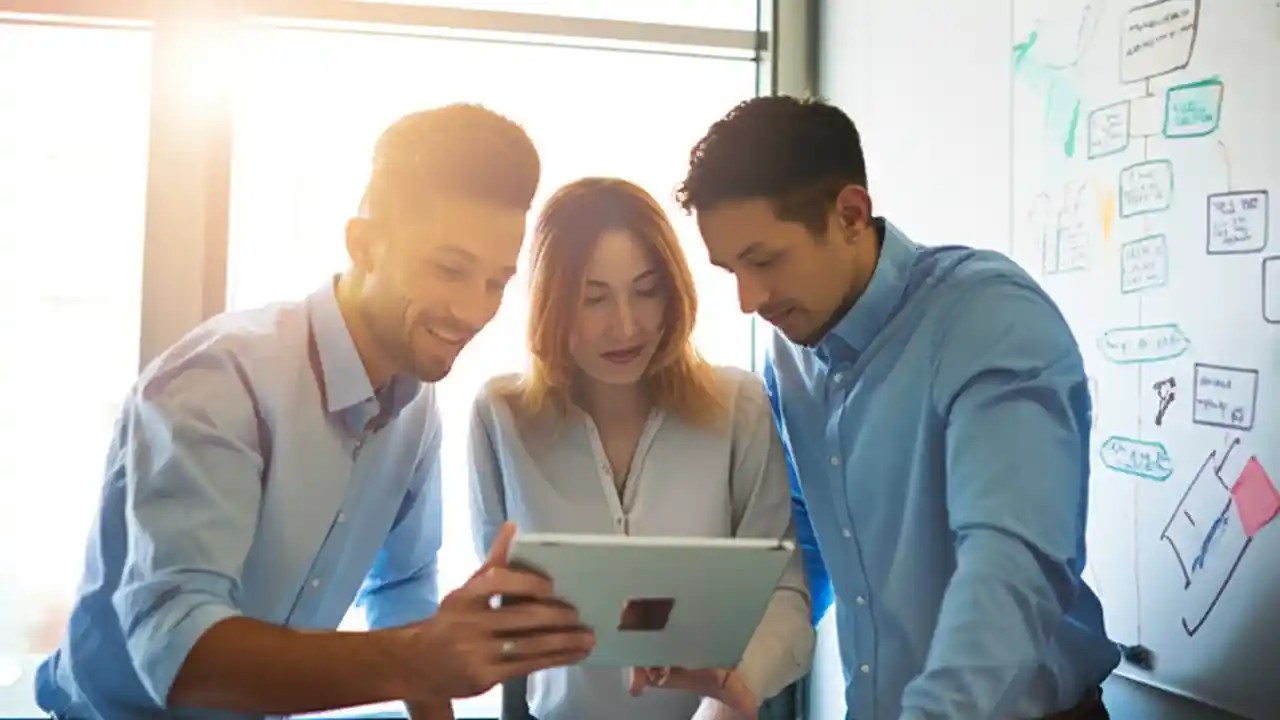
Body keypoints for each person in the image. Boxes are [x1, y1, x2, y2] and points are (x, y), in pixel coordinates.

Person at [34, 104, 595, 720]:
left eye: (496, 282)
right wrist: (416, 659)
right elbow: (180, 652)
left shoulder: (415, 405)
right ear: (363, 245)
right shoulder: (221, 381)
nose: (472, 311)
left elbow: (402, 587)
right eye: (449, 269)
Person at [675, 95, 1121, 720]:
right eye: (730, 271)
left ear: (851, 214)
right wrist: (739, 677)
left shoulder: (988, 320)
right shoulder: (793, 352)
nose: (749, 299)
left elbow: (1012, 568)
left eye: (765, 260)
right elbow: (806, 544)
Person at [467, 177, 814, 720]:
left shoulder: (738, 405)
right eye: (594, 297)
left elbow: (786, 597)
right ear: (551, 303)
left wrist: (730, 693)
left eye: (647, 290)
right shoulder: (501, 415)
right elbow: (498, 603)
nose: (626, 326)